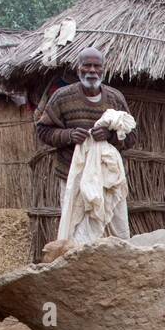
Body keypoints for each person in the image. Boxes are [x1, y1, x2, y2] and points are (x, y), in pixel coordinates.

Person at [34, 47, 136, 237]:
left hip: (109, 180)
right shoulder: (62, 97)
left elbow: (131, 137)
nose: (92, 70)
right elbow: (42, 130)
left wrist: (110, 136)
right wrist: (69, 135)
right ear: (78, 68)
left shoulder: (115, 98)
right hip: (73, 177)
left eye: (97, 66)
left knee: (113, 232)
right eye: (87, 65)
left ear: (103, 69)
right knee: (76, 231)